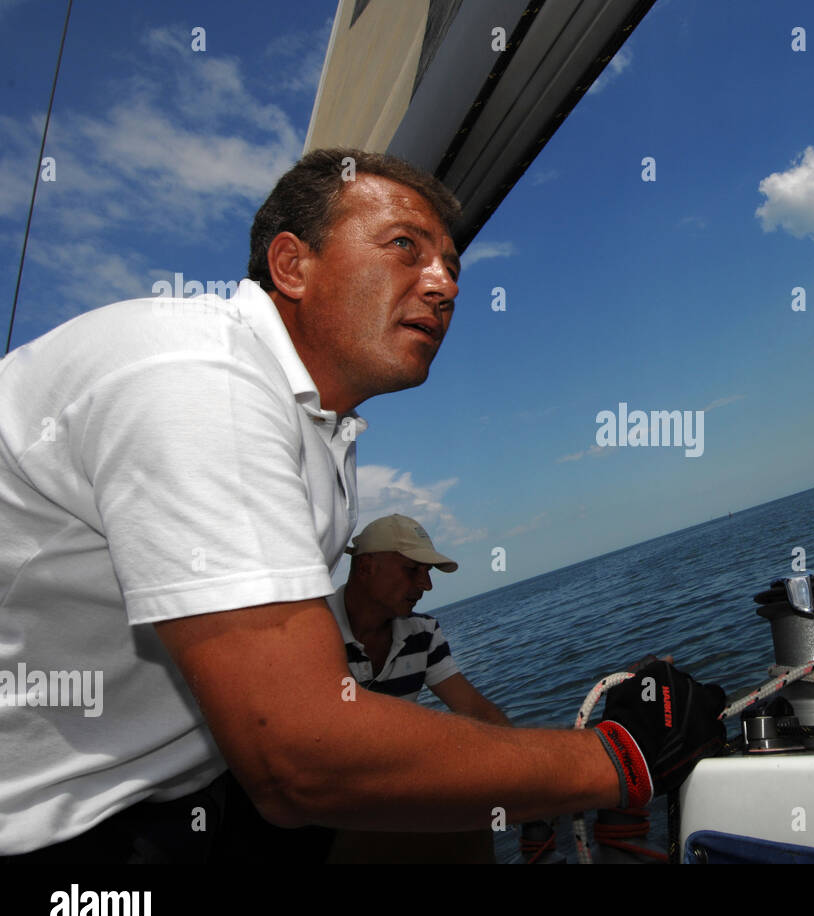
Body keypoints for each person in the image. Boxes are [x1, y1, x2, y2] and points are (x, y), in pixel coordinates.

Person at [0, 148, 725, 861]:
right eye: (405, 247)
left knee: (451, 828)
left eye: (452, 267)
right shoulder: (195, 373)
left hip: (204, 789)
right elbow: (299, 758)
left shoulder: (320, 425)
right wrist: (614, 762)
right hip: (63, 834)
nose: (445, 285)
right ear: (292, 266)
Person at [331, 514, 507, 725]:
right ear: (365, 567)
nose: (426, 584)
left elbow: (476, 711)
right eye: (413, 569)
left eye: (427, 571)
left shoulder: (423, 633)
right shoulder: (305, 632)